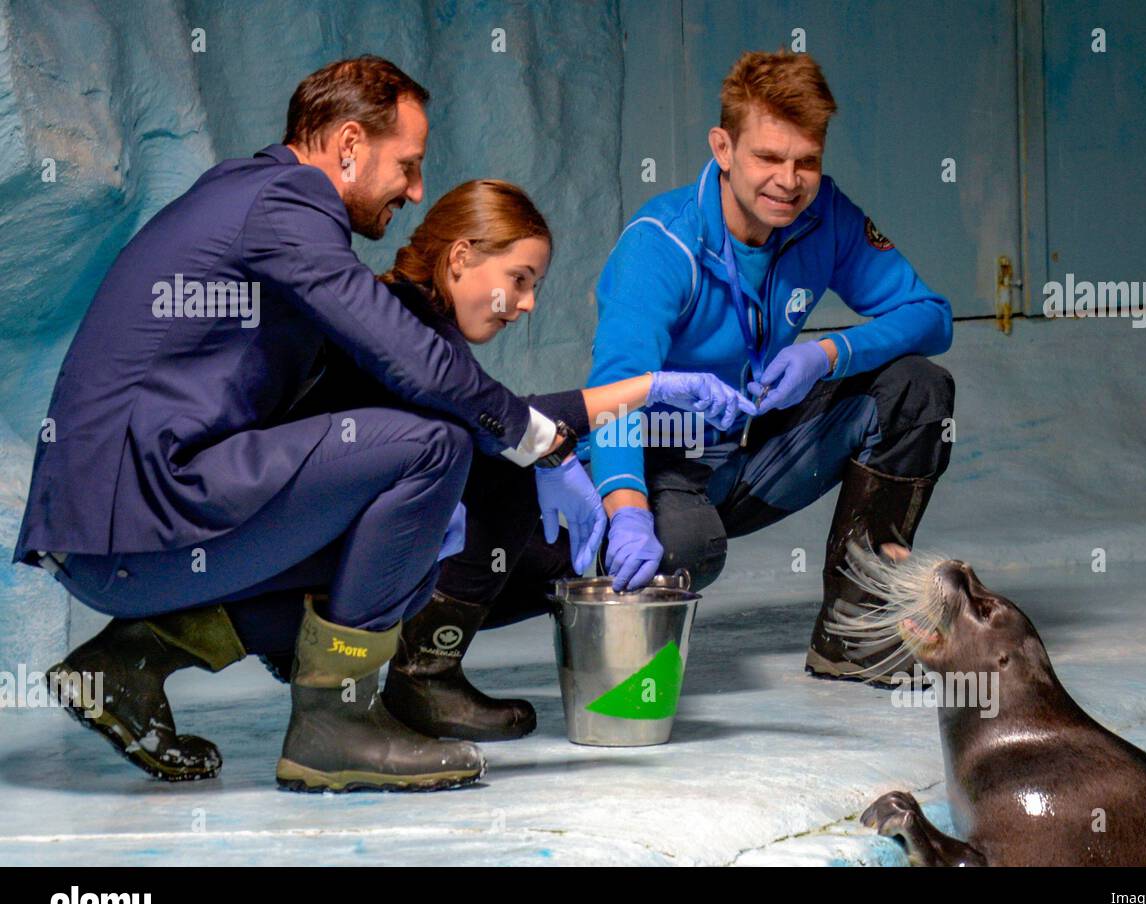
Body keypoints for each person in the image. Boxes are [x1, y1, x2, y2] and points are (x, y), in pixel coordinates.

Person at [13, 55, 746, 792]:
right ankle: (339, 723)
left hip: (121, 526)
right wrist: (542, 443)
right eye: (409, 164)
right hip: (138, 518)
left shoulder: (248, 197)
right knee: (433, 449)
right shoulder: (288, 202)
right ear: (350, 145)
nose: (419, 189)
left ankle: (131, 663)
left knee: (401, 514)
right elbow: (412, 363)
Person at [260, 178, 754, 743]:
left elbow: (495, 416)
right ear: (461, 257)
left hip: (332, 551)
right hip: (297, 568)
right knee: (511, 474)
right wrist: (647, 388)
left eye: (534, 286)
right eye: (519, 280)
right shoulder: (399, 322)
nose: (527, 305)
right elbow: (501, 422)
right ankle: (421, 676)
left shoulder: (419, 318)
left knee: (559, 562)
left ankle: (410, 663)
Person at [583, 50, 957, 686]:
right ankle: (617, 576)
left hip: (757, 447)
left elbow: (931, 315)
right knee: (683, 551)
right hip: (665, 460)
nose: (789, 181)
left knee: (917, 388)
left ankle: (853, 636)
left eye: (806, 161)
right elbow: (612, 395)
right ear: (723, 147)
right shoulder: (661, 244)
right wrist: (627, 514)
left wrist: (829, 353)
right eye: (768, 158)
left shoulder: (825, 216)